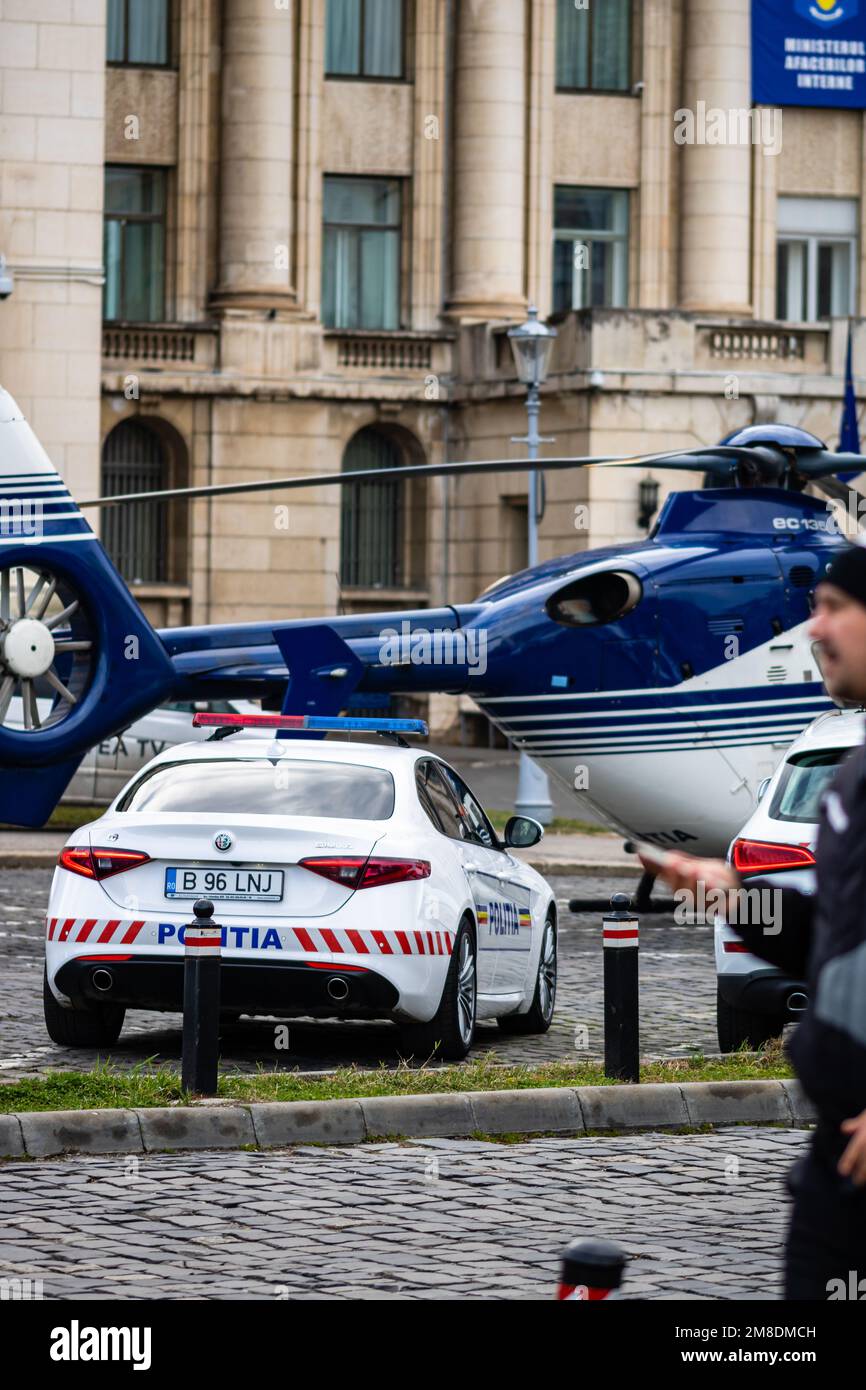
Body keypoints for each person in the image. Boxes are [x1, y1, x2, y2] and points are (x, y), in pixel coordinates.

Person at [644, 539, 866, 1300]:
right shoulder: (849, 775)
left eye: (835, 610)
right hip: (840, 1148)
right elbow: (832, 941)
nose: (815, 631)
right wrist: (731, 896)